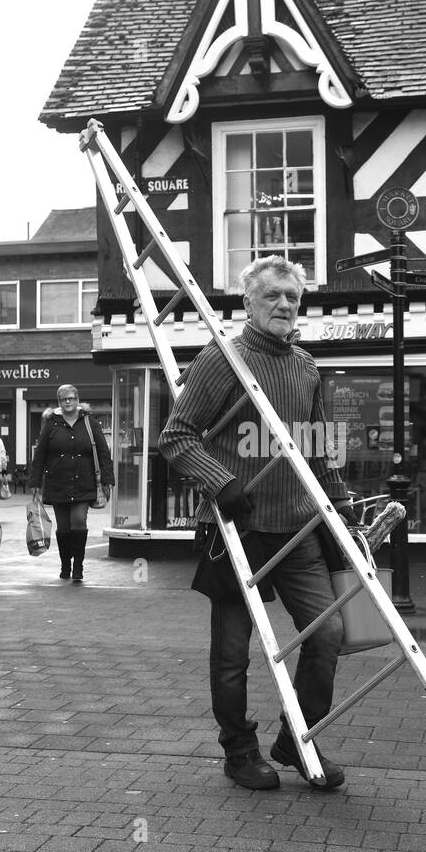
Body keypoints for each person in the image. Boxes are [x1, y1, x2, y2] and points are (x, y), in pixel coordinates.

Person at [159, 255, 354, 792]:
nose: (285, 306)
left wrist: (341, 511)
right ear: (248, 302)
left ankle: (297, 741)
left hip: (297, 532)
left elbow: (317, 449)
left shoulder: (307, 367)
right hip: (236, 531)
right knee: (233, 653)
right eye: (272, 296)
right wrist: (222, 483)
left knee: (328, 633)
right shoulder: (223, 360)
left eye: (292, 297)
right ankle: (239, 751)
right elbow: (177, 436)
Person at [27, 385, 112, 583]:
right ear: (59, 402)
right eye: (64, 399)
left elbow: (103, 453)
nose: (68, 402)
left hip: (84, 481)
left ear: (77, 400)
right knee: (63, 527)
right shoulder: (51, 425)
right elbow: (40, 455)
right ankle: (66, 564)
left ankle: (78, 566)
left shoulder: (90, 423)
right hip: (58, 483)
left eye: (72, 398)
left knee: (79, 520)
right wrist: (35, 481)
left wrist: (107, 479)